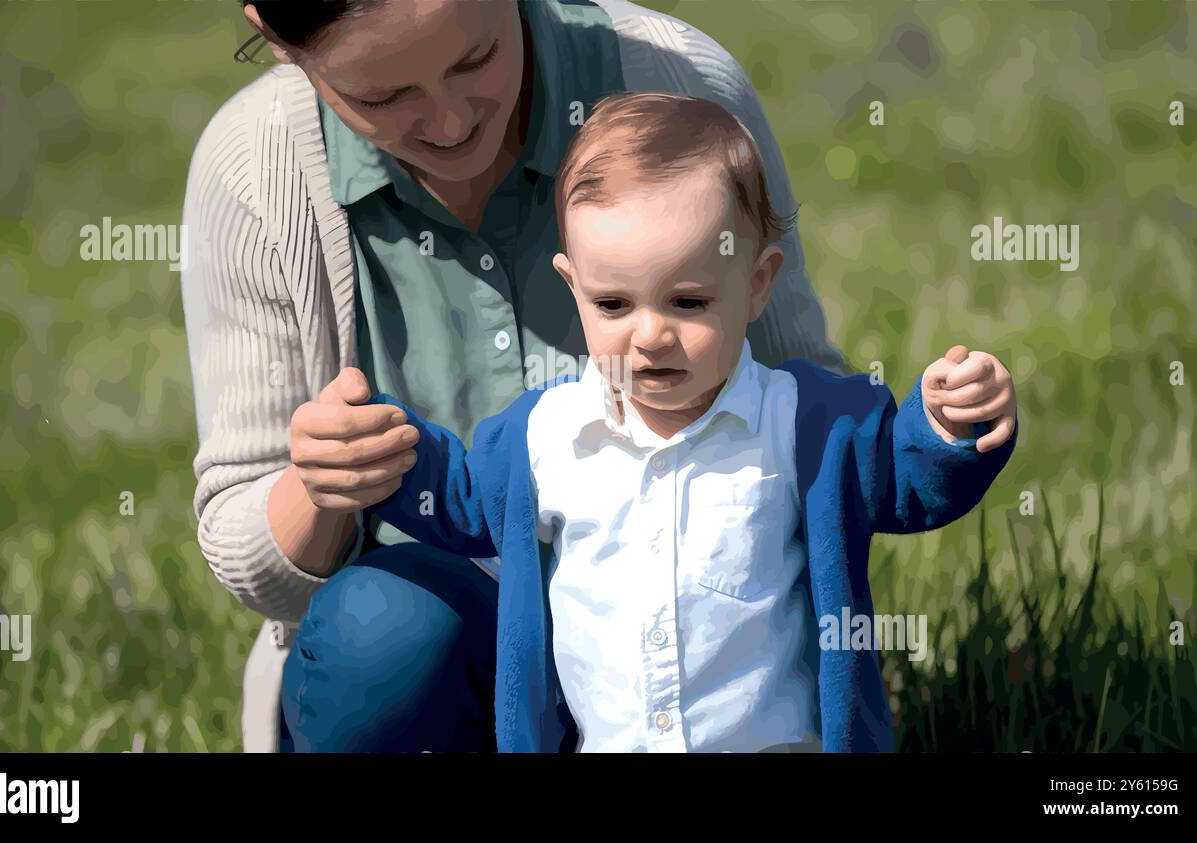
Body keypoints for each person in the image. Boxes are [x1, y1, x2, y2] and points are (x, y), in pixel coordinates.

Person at [181, 0, 850, 752]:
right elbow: (256, 565)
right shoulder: (255, 169)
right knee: (384, 630)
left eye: (475, 59)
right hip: (431, 676)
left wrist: (941, 436)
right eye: (383, 97)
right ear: (277, 41)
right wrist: (321, 485)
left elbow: (815, 426)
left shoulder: (677, 85)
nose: (450, 120)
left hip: (700, 685)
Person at [287, 91, 1018, 752]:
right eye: (614, 305)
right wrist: (386, 449)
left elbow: (903, 478)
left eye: (688, 302)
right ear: (575, 288)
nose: (650, 335)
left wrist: (948, 424)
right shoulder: (547, 437)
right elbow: (460, 496)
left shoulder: (804, 423)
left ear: (757, 283)